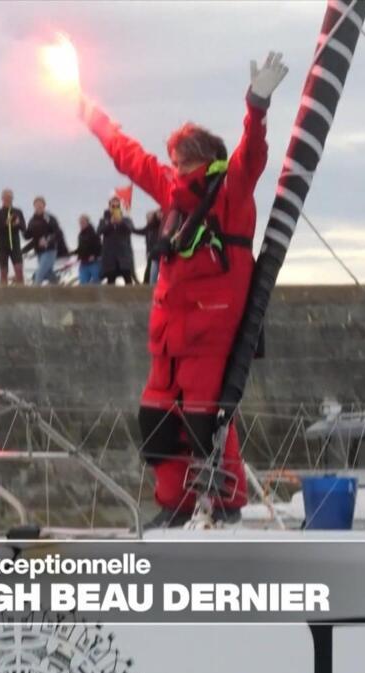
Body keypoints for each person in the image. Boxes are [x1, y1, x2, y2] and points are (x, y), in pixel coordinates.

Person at [80, 50, 289, 527]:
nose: (177, 167)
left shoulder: (231, 190)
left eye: (185, 160)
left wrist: (256, 105)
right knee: (157, 425)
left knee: (207, 422)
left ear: (206, 160)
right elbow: (128, 156)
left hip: (210, 336)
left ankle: (226, 506)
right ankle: (174, 506)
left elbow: (253, 154)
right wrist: (90, 115)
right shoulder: (172, 191)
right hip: (169, 338)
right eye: (175, 159)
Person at [22, 196, 63, 285]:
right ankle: (59, 288)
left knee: (39, 273)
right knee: (48, 273)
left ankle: (34, 293)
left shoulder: (49, 218)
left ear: (44, 206)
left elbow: (57, 233)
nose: (39, 207)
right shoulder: (32, 220)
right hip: (39, 251)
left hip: (50, 250)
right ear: (34, 206)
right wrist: (21, 227)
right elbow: (28, 236)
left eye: (41, 205)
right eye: (37, 205)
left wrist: (47, 240)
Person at [97, 196, 137, 285]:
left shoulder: (126, 219)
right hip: (110, 256)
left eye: (117, 206)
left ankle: (130, 298)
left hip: (123, 255)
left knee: (128, 279)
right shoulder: (103, 220)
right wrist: (110, 224)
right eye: (113, 206)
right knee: (111, 280)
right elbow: (99, 232)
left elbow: (130, 230)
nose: (115, 208)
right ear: (109, 207)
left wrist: (121, 223)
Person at [0, 189, 25, 285]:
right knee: (3, 272)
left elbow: (23, 227)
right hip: (2, 245)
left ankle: (21, 292)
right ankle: (4, 294)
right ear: (2, 198)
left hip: (15, 244)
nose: (8, 199)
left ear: (12, 198)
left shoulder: (18, 212)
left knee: (19, 270)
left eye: (10, 197)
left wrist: (17, 224)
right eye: (6, 197)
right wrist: (6, 224)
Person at [138, 210, 164, 284]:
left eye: (150, 216)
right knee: (151, 266)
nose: (148, 218)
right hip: (152, 251)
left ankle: (149, 283)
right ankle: (148, 283)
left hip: (159, 250)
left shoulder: (161, 224)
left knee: (156, 267)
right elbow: (140, 231)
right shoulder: (149, 227)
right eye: (147, 217)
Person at [74, 214, 101, 285]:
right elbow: (80, 249)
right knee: (83, 284)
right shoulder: (80, 235)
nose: (81, 224)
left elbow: (99, 247)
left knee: (96, 283)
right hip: (83, 263)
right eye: (80, 223)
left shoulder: (93, 233)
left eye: (83, 222)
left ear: (87, 222)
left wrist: (94, 256)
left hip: (94, 263)